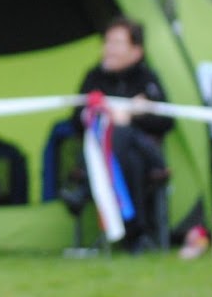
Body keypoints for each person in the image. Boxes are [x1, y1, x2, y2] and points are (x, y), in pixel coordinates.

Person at [74, 16, 174, 250]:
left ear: (136, 51)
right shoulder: (94, 78)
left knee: (123, 134)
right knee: (129, 155)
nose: (109, 49)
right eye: (107, 42)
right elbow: (76, 120)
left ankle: (84, 191)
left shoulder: (148, 80)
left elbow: (167, 121)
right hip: (115, 156)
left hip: (148, 155)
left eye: (117, 43)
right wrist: (106, 117)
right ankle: (136, 235)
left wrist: (132, 116)